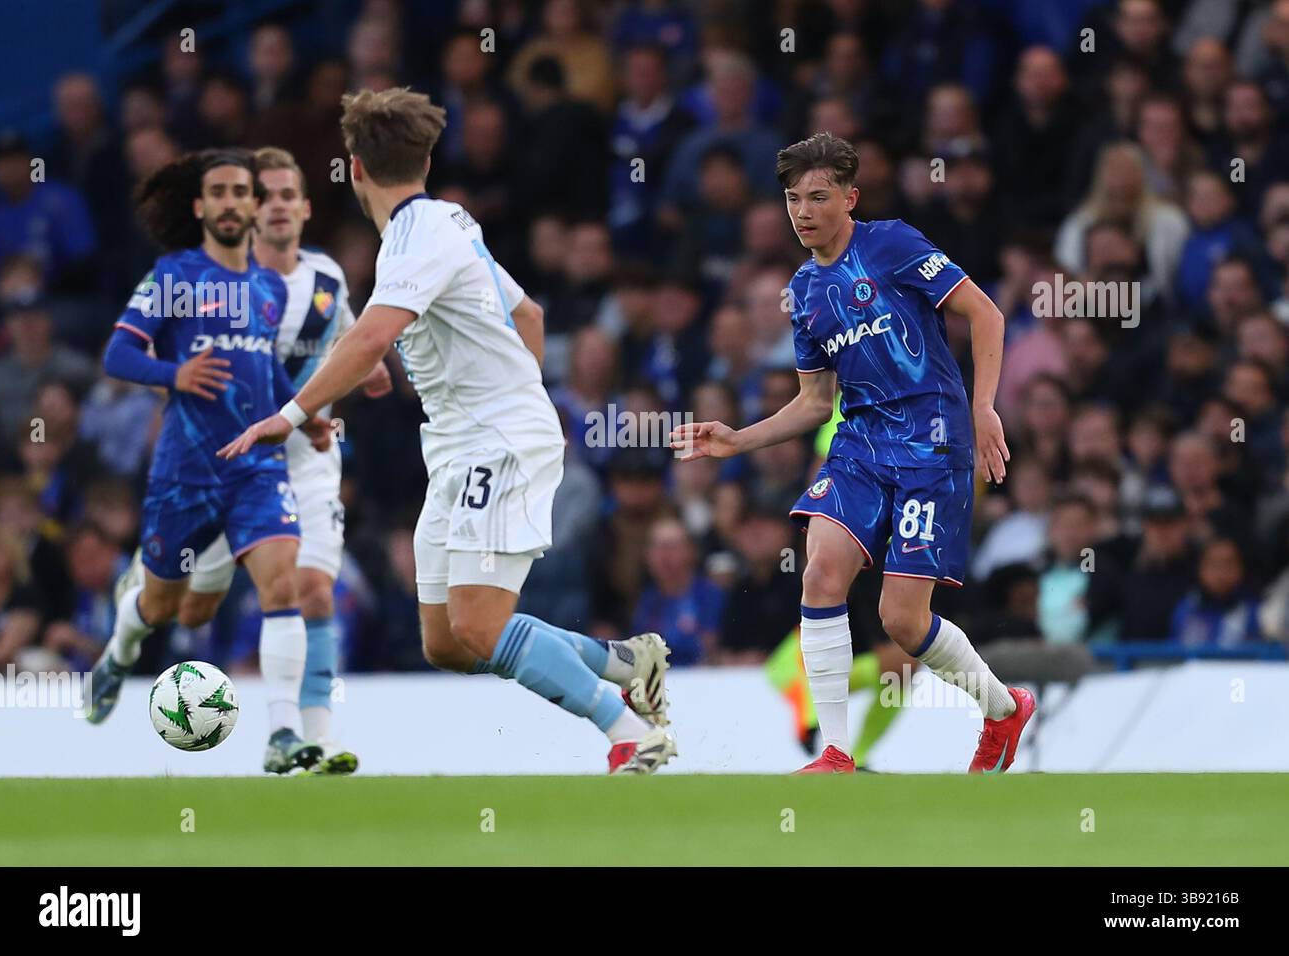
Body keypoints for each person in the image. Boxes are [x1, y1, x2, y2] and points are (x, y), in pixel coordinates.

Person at [219, 88, 677, 774]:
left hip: (496, 444)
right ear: (428, 158)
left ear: (353, 169)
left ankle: (629, 732)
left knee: (479, 624)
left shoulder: (418, 236)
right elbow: (531, 317)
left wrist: (288, 414)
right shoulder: (452, 221)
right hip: (463, 446)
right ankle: (626, 662)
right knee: (448, 642)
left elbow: (373, 336)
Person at [672, 132, 1036, 774]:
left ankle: (1003, 709)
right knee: (819, 573)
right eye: (792, 199)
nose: (802, 212)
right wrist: (737, 439)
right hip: (861, 444)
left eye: (818, 197)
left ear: (850, 197)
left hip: (932, 440)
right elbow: (815, 402)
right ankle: (836, 751)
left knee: (901, 619)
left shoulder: (891, 242)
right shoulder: (806, 291)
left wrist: (982, 409)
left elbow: (986, 316)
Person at [125, 146, 392, 775]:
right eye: (262, 195)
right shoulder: (214, 283)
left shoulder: (327, 279)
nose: (275, 207)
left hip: (304, 461)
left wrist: (371, 368)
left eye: (285, 195)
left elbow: (347, 339)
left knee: (313, 590)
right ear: (247, 210)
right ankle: (142, 588)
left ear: (304, 206)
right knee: (192, 607)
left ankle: (315, 743)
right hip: (224, 463)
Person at [85, 149, 334, 776]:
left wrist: (303, 412)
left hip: (254, 465)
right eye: (217, 192)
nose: (229, 202)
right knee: (163, 608)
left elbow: (263, 364)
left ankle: (281, 735)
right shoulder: (172, 275)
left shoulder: (268, 287)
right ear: (200, 207)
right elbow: (117, 354)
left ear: (254, 206)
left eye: (240, 192)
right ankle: (119, 652)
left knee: (282, 584)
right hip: (184, 473)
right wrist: (175, 372)